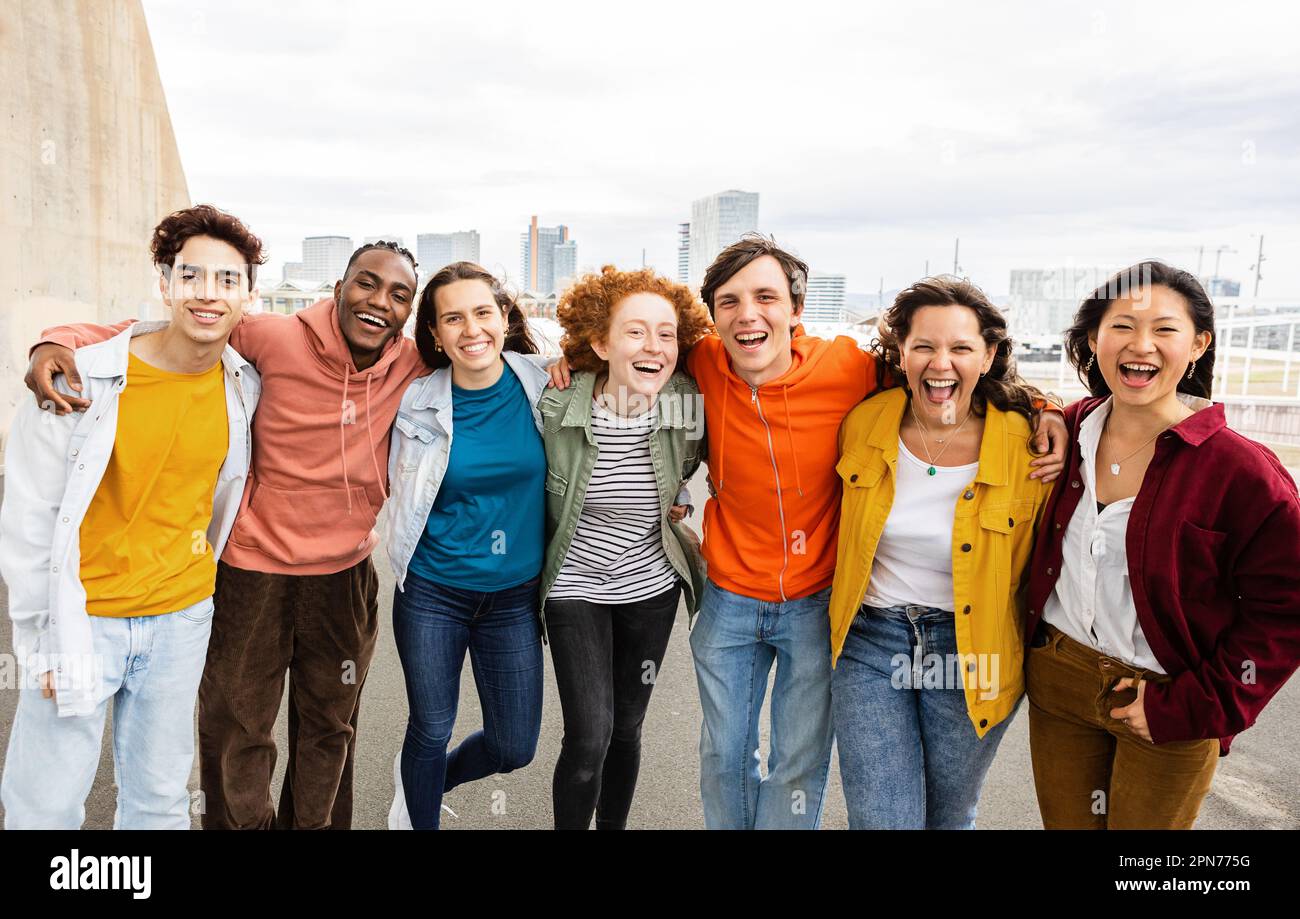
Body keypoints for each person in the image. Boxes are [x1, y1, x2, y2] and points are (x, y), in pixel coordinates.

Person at [552, 234, 1070, 829]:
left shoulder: (849, 368)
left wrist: (1043, 402)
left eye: (766, 297)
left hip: (817, 602)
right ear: (714, 319)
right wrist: (575, 362)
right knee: (723, 756)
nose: (748, 314)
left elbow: (946, 368)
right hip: (729, 597)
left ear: (795, 312)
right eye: (729, 302)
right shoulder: (700, 362)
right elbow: (630, 355)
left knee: (797, 763)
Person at [24, 239, 428, 829]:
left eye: (398, 295)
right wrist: (59, 340)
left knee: (330, 727)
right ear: (338, 290)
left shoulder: (411, 363)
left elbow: (487, 354)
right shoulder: (274, 336)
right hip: (252, 572)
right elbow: (169, 331)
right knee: (237, 725)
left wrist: (562, 363)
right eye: (366, 284)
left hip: (345, 578)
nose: (379, 303)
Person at [1, 205, 262, 828]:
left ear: (248, 295)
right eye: (191, 276)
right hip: (84, 619)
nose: (209, 293)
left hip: (181, 616)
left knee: (160, 798)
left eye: (228, 280)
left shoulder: (242, 381)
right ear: (165, 283)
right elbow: (30, 514)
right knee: (45, 802)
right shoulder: (77, 377)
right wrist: (38, 639)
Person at [1024, 260, 1300, 829]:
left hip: (1171, 699)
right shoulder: (1065, 432)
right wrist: (1042, 405)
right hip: (1059, 682)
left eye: (1164, 329)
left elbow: (1286, 611)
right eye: (1121, 325)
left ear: (1198, 343)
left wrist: (1200, 705)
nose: (1140, 344)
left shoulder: (1241, 472)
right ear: (1094, 339)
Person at [827, 276, 1052, 829]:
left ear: (990, 354)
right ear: (900, 351)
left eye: (961, 348)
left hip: (973, 652)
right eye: (924, 345)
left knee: (949, 817)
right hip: (870, 644)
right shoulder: (863, 423)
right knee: (883, 821)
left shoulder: (1030, 445)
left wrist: (1052, 411)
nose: (940, 363)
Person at [538, 266, 710, 829]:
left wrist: (682, 492)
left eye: (666, 334)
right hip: (574, 589)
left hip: (651, 590)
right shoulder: (556, 402)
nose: (654, 346)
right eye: (635, 332)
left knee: (628, 729)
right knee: (590, 735)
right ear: (599, 341)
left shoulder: (687, 402)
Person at [383, 262, 551, 830]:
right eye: (452, 318)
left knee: (514, 745)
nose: (470, 329)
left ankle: (424, 782)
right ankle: (418, 807)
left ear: (504, 318)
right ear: (433, 332)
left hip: (514, 599)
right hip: (434, 593)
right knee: (430, 727)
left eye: (482, 312)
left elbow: (639, 393)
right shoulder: (411, 402)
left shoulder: (547, 384)